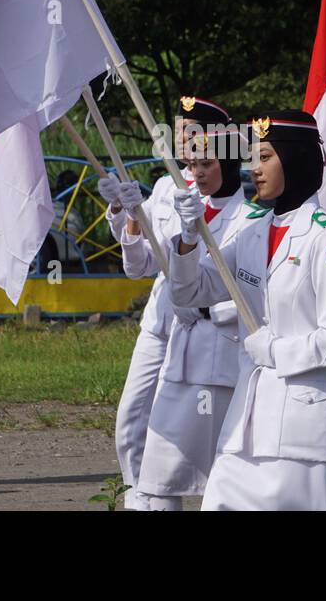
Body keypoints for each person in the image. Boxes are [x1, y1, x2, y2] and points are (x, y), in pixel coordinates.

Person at [169, 110, 326, 510]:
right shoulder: (254, 232)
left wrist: (274, 351)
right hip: (248, 422)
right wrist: (189, 238)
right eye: (253, 158)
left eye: (266, 157)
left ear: (295, 160)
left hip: (305, 429)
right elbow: (189, 291)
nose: (254, 169)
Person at [104, 124, 249, 510]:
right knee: (155, 461)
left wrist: (213, 307)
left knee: (224, 467)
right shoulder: (175, 197)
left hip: (221, 351)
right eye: (194, 162)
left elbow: (249, 291)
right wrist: (131, 214)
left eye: (207, 163)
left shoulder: (250, 217)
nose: (197, 171)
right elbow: (142, 266)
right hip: (175, 341)